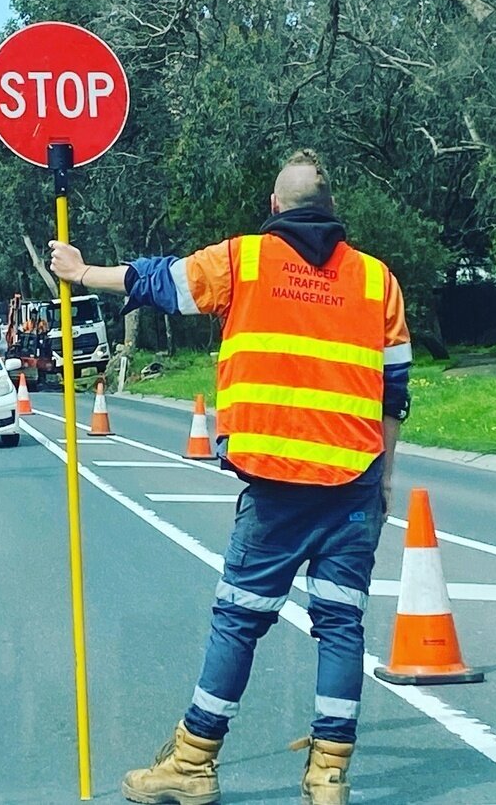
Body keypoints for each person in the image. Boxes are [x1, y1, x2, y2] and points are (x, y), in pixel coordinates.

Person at [48, 149, 412, 805]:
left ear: (275, 207)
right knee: (341, 622)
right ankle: (328, 776)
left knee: (239, 618)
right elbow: (396, 389)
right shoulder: (377, 280)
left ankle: (193, 763)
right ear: (332, 211)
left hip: (275, 486)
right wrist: (383, 478)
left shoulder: (244, 260)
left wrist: (80, 271)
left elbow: (159, 281)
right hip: (354, 482)